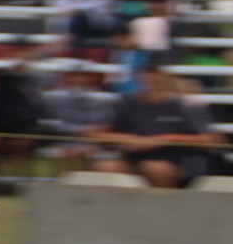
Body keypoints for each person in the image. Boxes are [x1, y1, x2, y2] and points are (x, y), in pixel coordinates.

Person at [93, 64, 224, 188]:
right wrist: (129, 139)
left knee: (155, 168)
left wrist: (166, 139)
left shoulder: (187, 104)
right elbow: (97, 133)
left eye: (156, 74)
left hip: (181, 161)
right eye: (147, 73)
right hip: (136, 158)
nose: (152, 78)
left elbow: (214, 140)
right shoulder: (128, 102)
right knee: (107, 166)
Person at [0, 44, 48, 176]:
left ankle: (22, 180)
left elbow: (36, 107)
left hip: (27, 125)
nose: (20, 56)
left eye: (23, 52)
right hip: (2, 124)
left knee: (22, 144)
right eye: (17, 52)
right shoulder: (3, 77)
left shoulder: (35, 78)